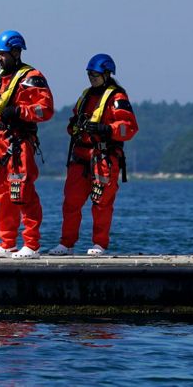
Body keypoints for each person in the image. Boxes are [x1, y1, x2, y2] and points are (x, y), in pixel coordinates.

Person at [50, 54, 139, 256]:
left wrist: (106, 129)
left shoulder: (117, 98)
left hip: (104, 157)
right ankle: (66, 244)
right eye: (89, 74)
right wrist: (75, 126)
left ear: (107, 74)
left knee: (101, 203)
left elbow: (129, 127)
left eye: (95, 75)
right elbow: (73, 121)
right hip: (80, 157)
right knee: (71, 202)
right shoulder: (86, 96)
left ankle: (99, 244)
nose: (92, 78)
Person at [0, 29, 54, 259]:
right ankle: (7, 243)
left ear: (15, 52)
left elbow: (45, 109)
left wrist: (19, 111)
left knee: (23, 192)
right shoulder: (1, 78)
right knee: (3, 194)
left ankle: (31, 244)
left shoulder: (32, 77)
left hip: (18, 143)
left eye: (2, 53)